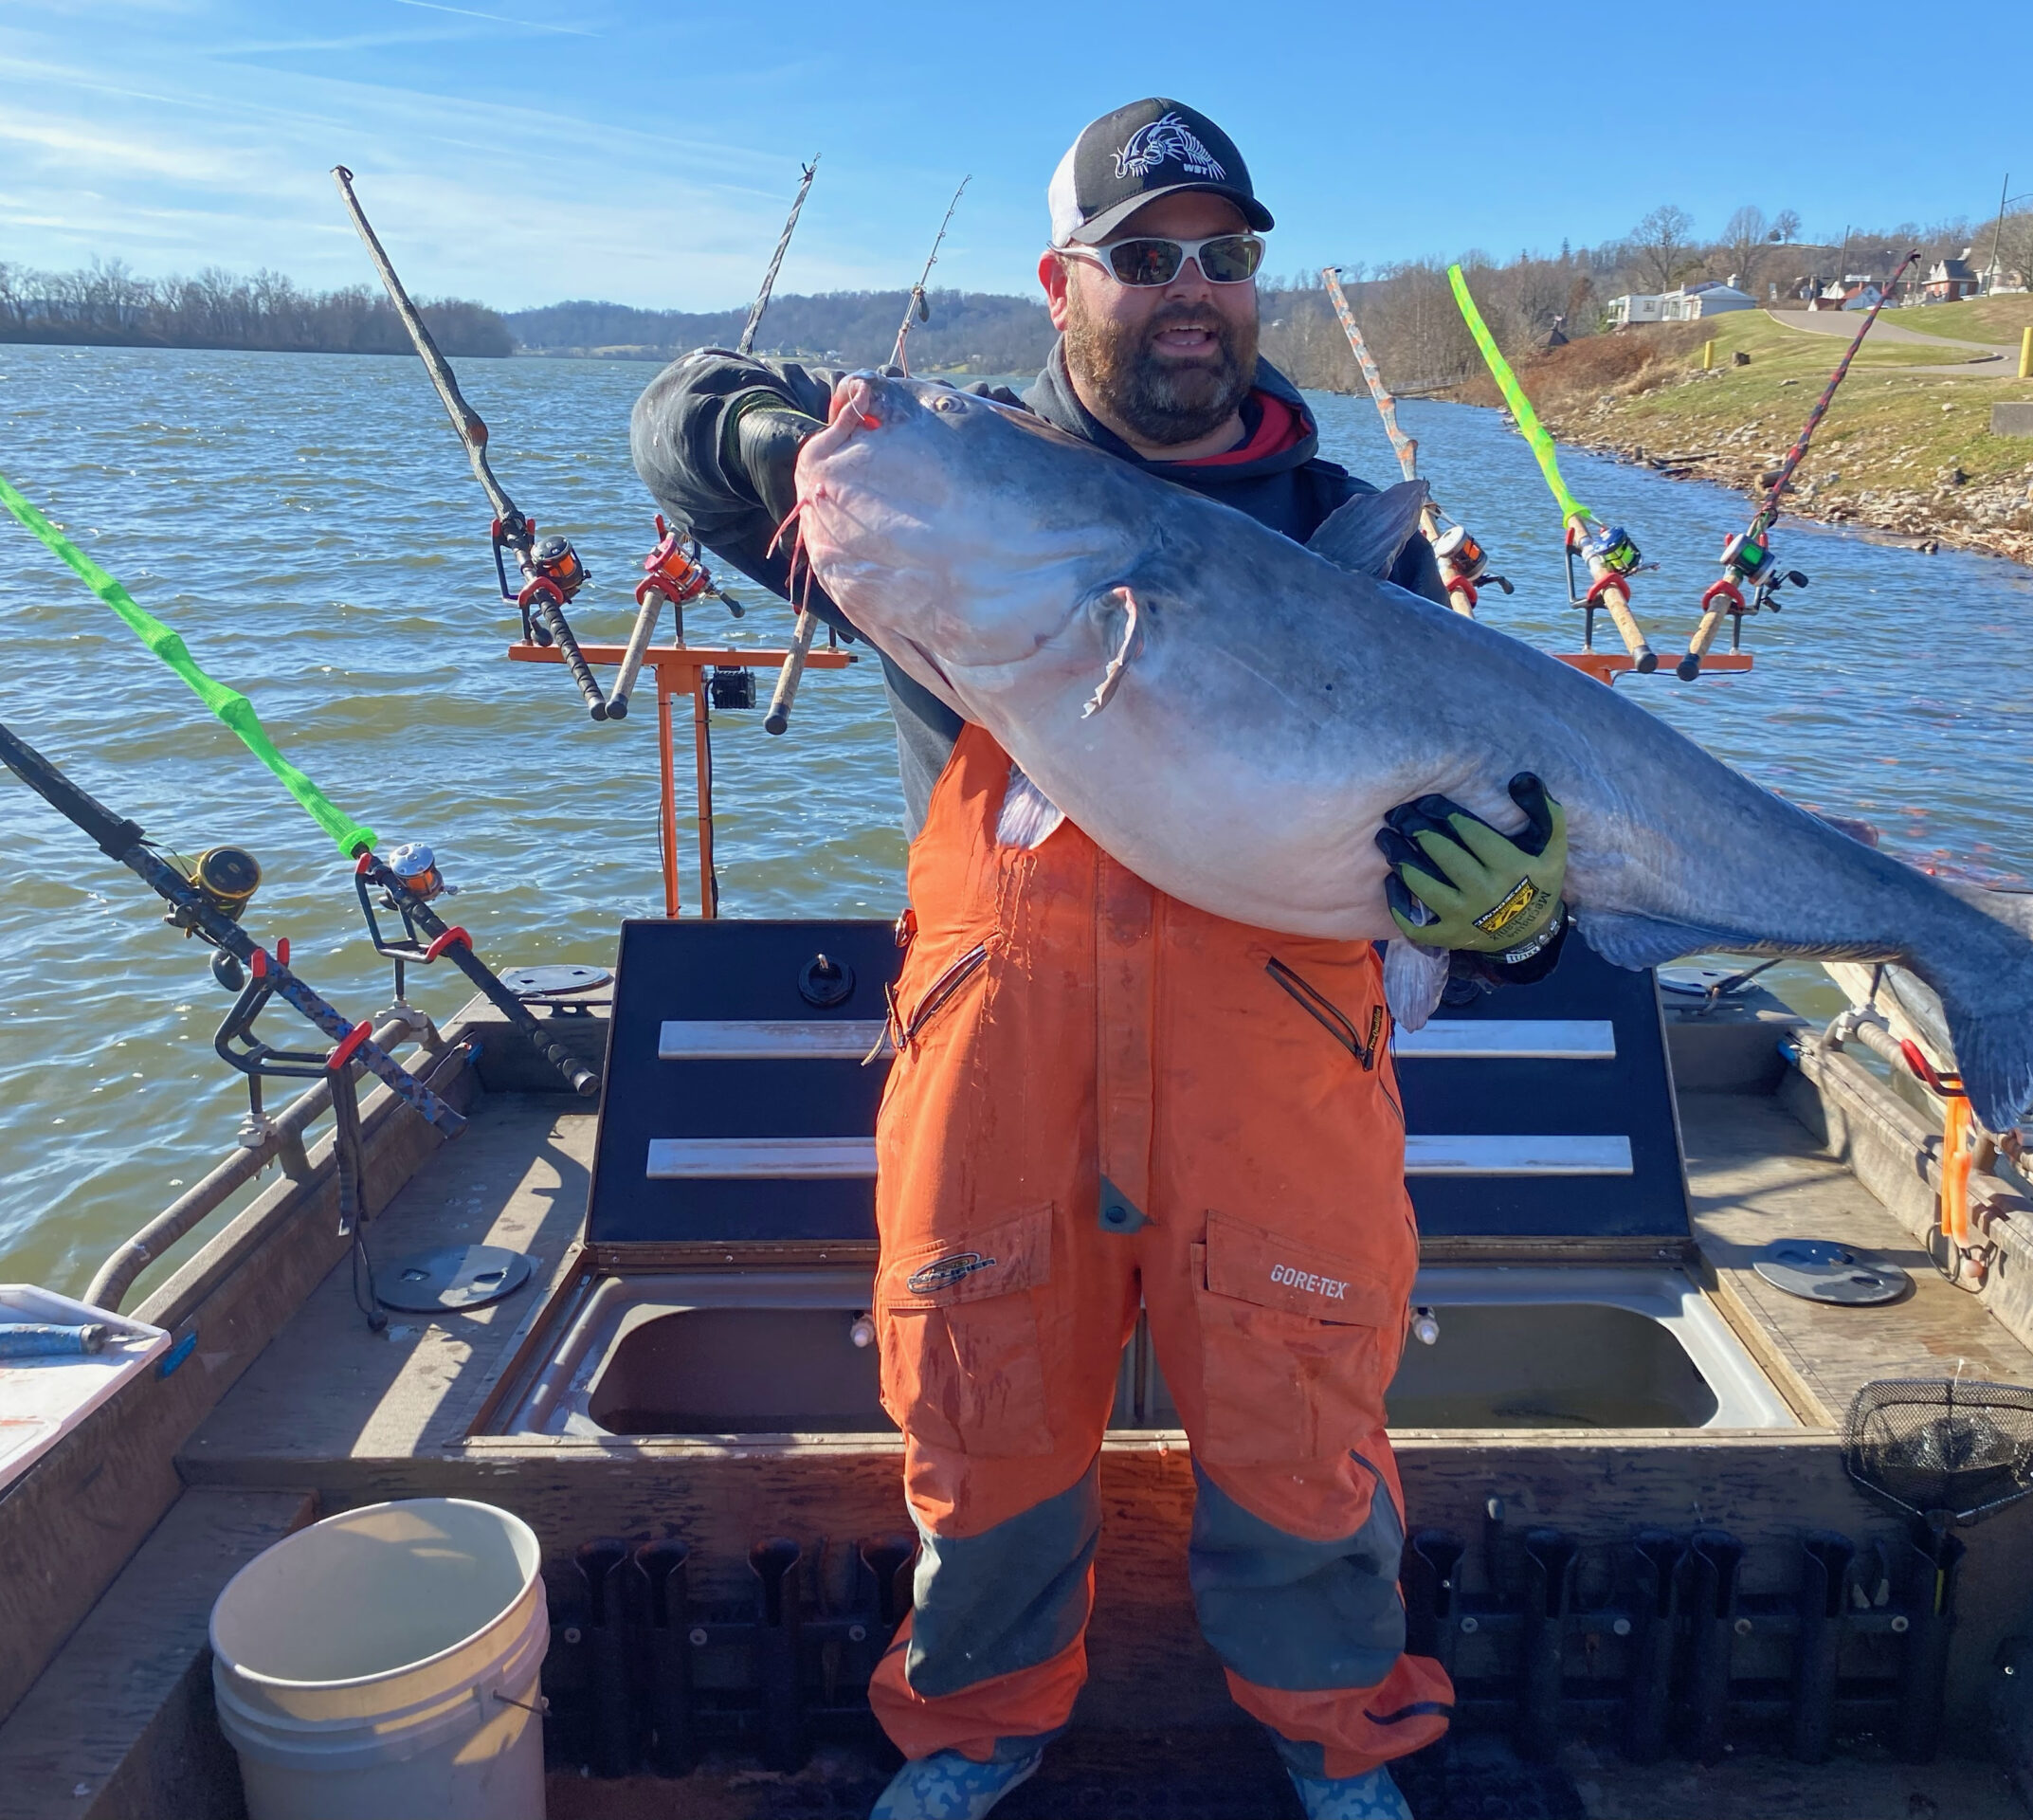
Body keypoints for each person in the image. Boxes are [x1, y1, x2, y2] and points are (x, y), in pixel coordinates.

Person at [632, 98, 1569, 1820]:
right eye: (1145, 260)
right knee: (982, 1430)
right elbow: (668, 422)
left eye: (1223, 256)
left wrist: (1518, 922)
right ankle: (974, 1732)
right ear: (1064, 282)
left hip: (1280, 1067)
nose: (1190, 290)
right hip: (1006, 1057)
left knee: (1303, 1442)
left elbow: (1515, 853)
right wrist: (790, 454)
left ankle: (1337, 1737)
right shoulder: (943, 503)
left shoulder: (1362, 539)